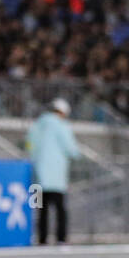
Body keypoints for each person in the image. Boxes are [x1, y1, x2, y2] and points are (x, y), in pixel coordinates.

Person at [27, 97, 79, 244]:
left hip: (37, 177)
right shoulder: (62, 126)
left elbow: (29, 145)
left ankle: (41, 239)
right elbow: (71, 149)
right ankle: (61, 238)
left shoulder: (37, 125)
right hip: (56, 177)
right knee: (60, 208)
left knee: (40, 209)